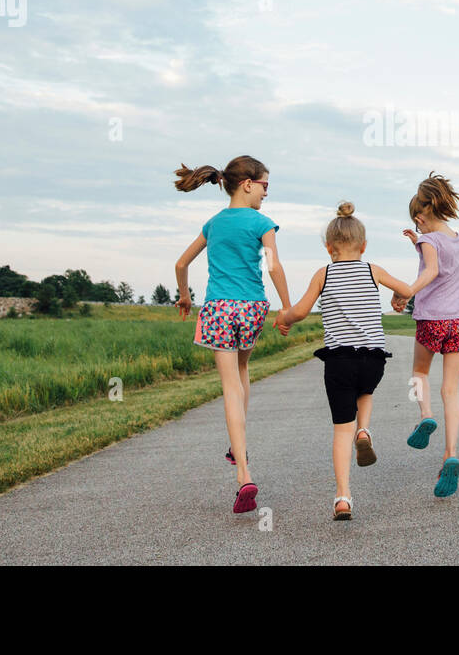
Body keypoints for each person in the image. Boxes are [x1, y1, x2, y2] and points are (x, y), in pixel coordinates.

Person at [278, 202, 413, 520]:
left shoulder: (323, 273)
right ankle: (364, 431)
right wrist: (399, 297)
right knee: (365, 391)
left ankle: (343, 498)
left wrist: (285, 318)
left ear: (328, 247)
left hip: (339, 361)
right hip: (373, 360)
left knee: (341, 430)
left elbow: (299, 311)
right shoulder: (373, 270)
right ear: (364, 246)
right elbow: (406, 289)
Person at [173, 154, 290, 514]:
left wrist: (185, 295)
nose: (266, 194)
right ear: (248, 184)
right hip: (253, 307)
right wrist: (286, 309)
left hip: (219, 308)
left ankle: (243, 472)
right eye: (265, 186)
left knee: (229, 386)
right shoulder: (261, 222)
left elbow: (181, 263)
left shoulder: (213, 223)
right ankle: (236, 447)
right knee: (242, 373)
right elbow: (273, 266)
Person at [392, 172, 459, 498]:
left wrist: (405, 292)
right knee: (451, 390)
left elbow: (431, 270)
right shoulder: (457, 238)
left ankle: (425, 416)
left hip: (433, 320)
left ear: (419, 216)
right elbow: (443, 261)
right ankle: (450, 454)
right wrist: (418, 242)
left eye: (418, 225)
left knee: (419, 373)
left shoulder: (429, 240)